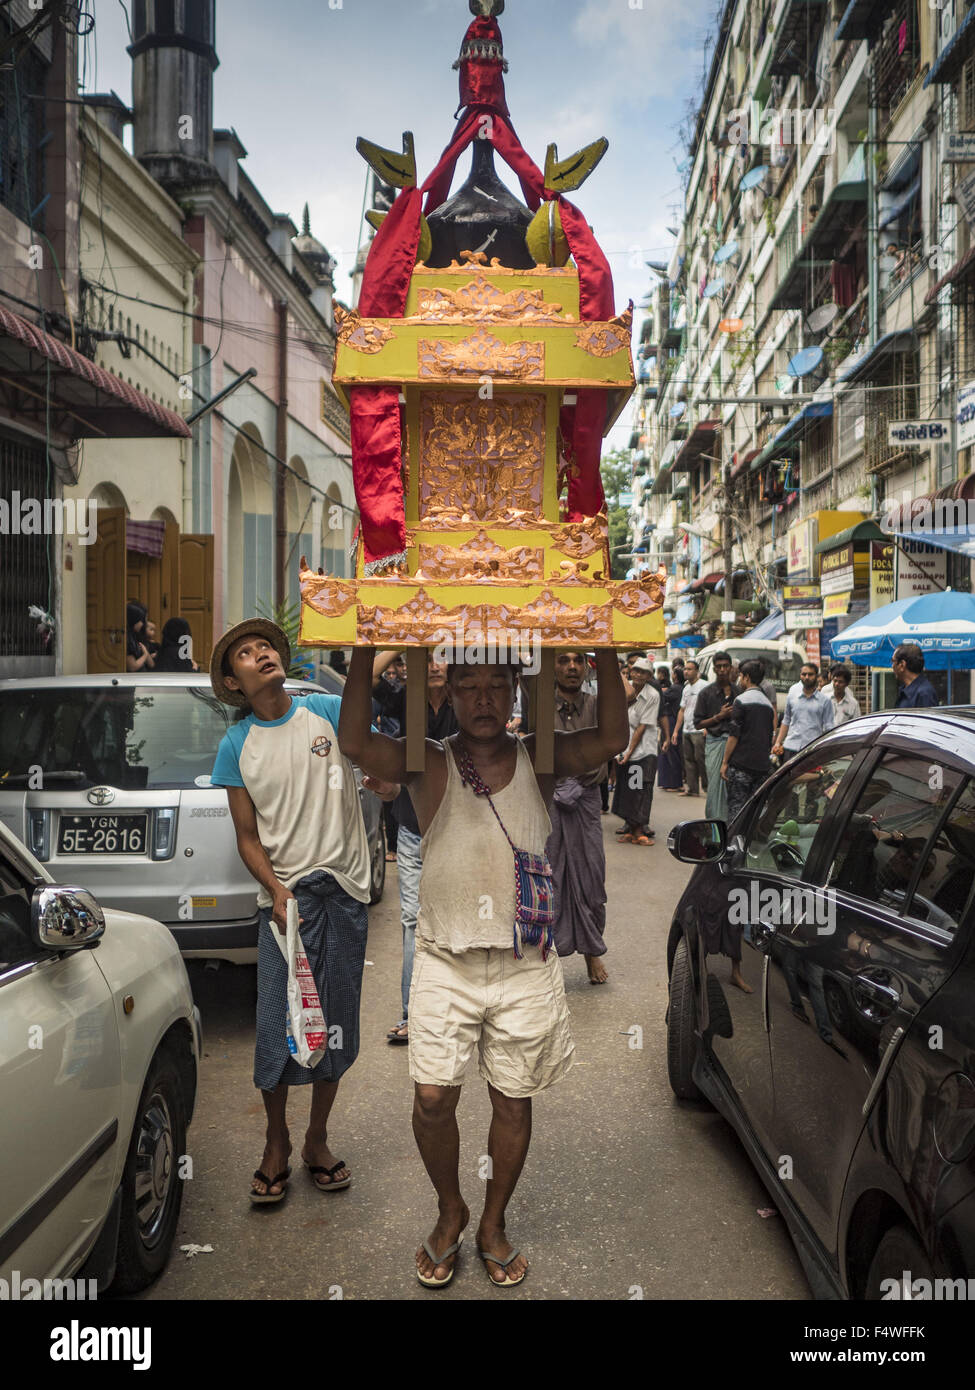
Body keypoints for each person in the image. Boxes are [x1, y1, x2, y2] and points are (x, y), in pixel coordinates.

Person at [338, 646, 628, 1289]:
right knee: (434, 1097)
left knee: (513, 1100)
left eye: (499, 684)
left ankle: (493, 1222)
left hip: (525, 965)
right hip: (445, 959)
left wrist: (601, 643)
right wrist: (364, 646)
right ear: (449, 690)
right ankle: (451, 1210)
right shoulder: (428, 762)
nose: (484, 698)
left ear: (519, 689)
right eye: (467, 685)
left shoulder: (540, 759)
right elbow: (356, 740)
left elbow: (612, 736)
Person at [209, 619, 399, 1205]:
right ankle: (276, 1140)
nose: (261, 654)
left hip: (342, 894)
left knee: (335, 1022)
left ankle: (317, 1139)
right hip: (284, 905)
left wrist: (385, 783)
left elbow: (382, 762)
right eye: (245, 653)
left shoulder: (327, 708)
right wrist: (276, 888)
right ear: (233, 682)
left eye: (266, 646)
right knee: (279, 1026)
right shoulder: (236, 744)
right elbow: (246, 836)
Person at [371, 649, 458, 1045]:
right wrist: (404, 637)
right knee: (412, 920)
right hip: (412, 828)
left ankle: (461, 1009)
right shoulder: (404, 698)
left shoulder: (466, 698)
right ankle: (413, 1013)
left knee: (460, 914)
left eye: (443, 656)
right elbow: (369, 678)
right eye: (427, 657)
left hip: (463, 828)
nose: (436, 664)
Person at [546, 651, 610, 984]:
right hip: (550, 798)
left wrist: (604, 650)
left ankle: (591, 954)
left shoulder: (598, 704)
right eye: (563, 660)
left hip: (586, 797)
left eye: (578, 661)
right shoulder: (538, 701)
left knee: (591, 875)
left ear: (587, 667)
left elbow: (626, 692)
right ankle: (548, 957)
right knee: (551, 876)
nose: (571, 666)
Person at [720, 659, 775, 822]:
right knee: (754, 812)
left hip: (741, 767)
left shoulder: (741, 701)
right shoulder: (767, 704)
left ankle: (732, 844)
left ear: (747, 677)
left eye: (741, 676)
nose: (739, 679)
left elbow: (734, 734)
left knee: (736, 810)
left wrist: (724, 762)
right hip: (762, 768)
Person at [613, 657, 661, 844]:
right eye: (637, 671)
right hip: (625, 749)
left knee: (640, 789)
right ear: (631, 672)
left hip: (643, 751)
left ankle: (639, 830)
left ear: (649, 676)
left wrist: (629, 752)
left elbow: (642, 727)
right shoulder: (622, 692)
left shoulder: (652, 695)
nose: (639, 675)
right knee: (627, 789)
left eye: (644, 672)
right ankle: (630, 828)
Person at [695, 651, 740, 822]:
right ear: (714, 669)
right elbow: (698, 723)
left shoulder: (739, 692)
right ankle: (714, 828)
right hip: (714, 743)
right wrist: (718, 717)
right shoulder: (706, 693)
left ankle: (732, 826)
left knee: (734, 788)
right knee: (714, 788)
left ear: (730, 668)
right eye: (719, 667)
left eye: (725, 666)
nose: (722, 670)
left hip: (736, 745)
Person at [773, 663, 834, 762]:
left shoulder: (825, 701)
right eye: (804, 674)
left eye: (810, 674)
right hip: (791, 747)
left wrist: (827, 749)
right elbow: (786, 721)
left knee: (811, 777)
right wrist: (778, 743)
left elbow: (829, 727)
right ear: (800, 676)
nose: (806, 677)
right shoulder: (792, 696)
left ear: (816, 677)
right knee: (789, 777)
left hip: (812, 749)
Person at [673, 657, 708, 797]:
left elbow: (710, 708)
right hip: (686, 729)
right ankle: (692, 789)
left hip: (699, 729)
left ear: (697, 671)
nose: (686, 672)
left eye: (689, 669)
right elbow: (682, 710)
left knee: (701, 759)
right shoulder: (686, 688)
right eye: (685, 669)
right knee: (688, 760)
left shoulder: (704, 686)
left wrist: (707, 727)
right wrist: (676, 730)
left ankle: (707, 788)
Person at [656, 666, 684, 791]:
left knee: (671, 752)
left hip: (672, 721)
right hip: (673, 721)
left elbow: (661, 696)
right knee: (668, 752)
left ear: (675, 676)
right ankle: (668, 782)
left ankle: (673, 783)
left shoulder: (675, 689)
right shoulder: (680, 688)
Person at [892, 643, 939, 708]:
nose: (892, 666)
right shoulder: (905, 691)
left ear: (902, 665)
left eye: (893, 661)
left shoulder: (924, 694)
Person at [125, 601, 155, 672]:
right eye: (140, 620)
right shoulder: (128, 639)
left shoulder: (137, 636)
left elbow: (151, 664)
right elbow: (132, 667)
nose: (142, 624)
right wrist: (145, 655)